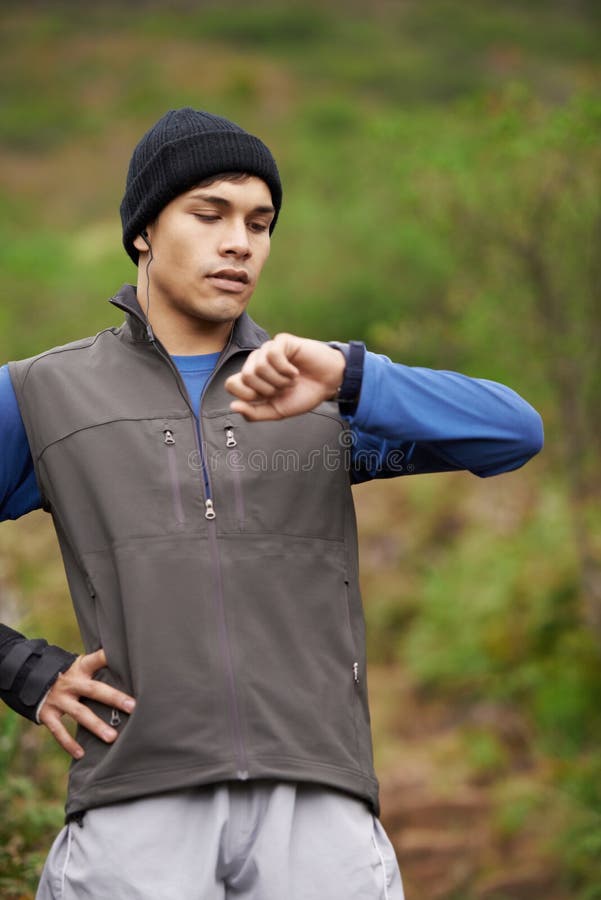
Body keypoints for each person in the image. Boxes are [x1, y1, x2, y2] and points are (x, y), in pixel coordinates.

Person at [0, 108, 543, 900]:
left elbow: (512, 432)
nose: (239, 242)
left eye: (260, 222)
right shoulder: (42, 395)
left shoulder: (313, 387)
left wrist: (352, 377)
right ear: (144, 230)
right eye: (209, 213)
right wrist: (23, 670)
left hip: (317, 802)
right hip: (135, 804)